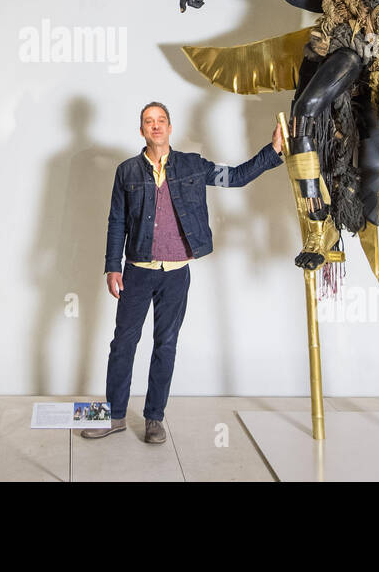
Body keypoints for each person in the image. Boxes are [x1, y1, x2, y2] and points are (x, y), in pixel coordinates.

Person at [80, 102, 284, 443]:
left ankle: (154, 419)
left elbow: (234, 177)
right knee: (123, 344)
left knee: (166, 344)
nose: (155, 126)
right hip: (137, 271)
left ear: (170, 128)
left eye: (161, 121)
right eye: (148, 121)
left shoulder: (192, 165)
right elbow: (116, 221)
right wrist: (112, 266)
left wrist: (274, 149)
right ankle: (114, 416)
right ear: (141, 130)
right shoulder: (127, 171)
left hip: (176, 273)